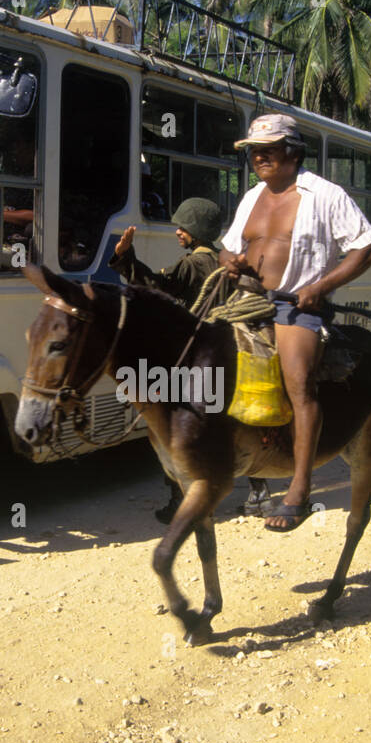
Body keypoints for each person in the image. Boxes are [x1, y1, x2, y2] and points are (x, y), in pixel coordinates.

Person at [218, 114, 371, 532]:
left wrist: (321, 287)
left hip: (295, 306)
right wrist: (231, 264)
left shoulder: (325, 194)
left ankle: (300, 488)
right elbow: (227, 249)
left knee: (297, 378)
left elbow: (367, 246)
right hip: (246, 303)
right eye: (254, 151)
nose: (258, 157)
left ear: (292, 151)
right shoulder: (252, 196)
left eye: (267, 149)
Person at [111, 198, 271, 522]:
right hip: (229, 350)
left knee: (174, 424)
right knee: (235, 421)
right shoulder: (223, 262)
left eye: (182, 228)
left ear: (196, 232)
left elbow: (156, 287)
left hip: (200, 354)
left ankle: (178, 500)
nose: (178, 233)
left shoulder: (193, 263)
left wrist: (125, 257)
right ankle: (260, 494)